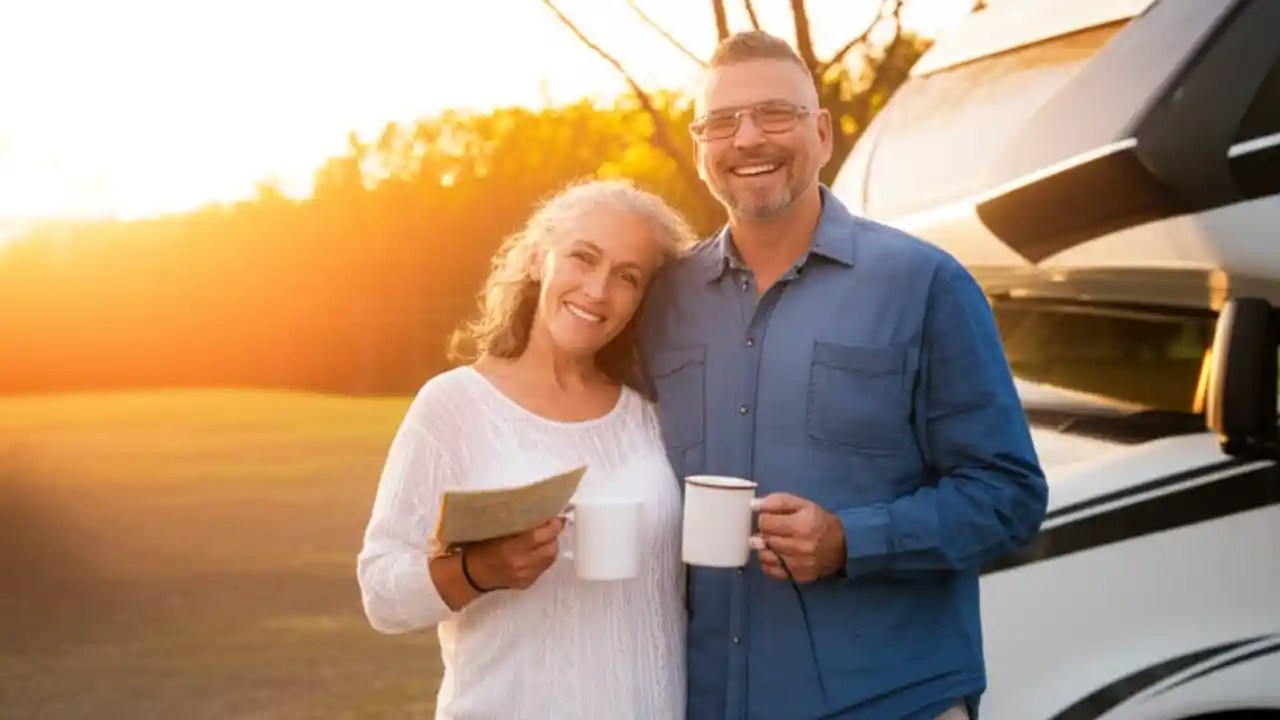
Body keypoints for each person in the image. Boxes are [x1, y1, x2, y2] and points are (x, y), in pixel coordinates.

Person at [637, 31, 1048, 720]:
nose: (748, 139)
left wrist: (851, 539)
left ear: (821, 133)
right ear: (701, 144)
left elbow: (1009, 497)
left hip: (890, 700)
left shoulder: (925, 284)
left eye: (775, 114)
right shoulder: (664, 300)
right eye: (722, 122)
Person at [357, 179, 694, 719]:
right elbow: (381, 594)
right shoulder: (454, 405)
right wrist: (479, 571)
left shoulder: (651, 417)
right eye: (583, 258)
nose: (598, 290)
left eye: (627, 277)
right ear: (540, 257)